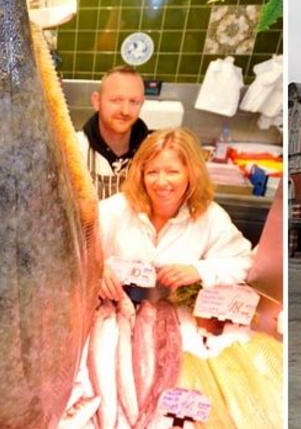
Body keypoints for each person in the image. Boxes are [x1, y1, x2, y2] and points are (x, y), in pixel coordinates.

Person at [96, 128, 252, 301]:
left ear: (191, 174)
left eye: (172, 172)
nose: (161, 182)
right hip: (113, 312)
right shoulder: (115, 208)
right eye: (152, 172)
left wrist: (200, 270)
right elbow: (74, 253)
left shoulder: (210, 216)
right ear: (141, 175)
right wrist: (96, 270)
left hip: (178, 319)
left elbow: (244, 263)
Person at [75, 66, 151, 200]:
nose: (125, 111)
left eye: (133, 102)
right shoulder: (74, 149)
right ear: (96, 101)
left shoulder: (152, 152)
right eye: (116, 100)